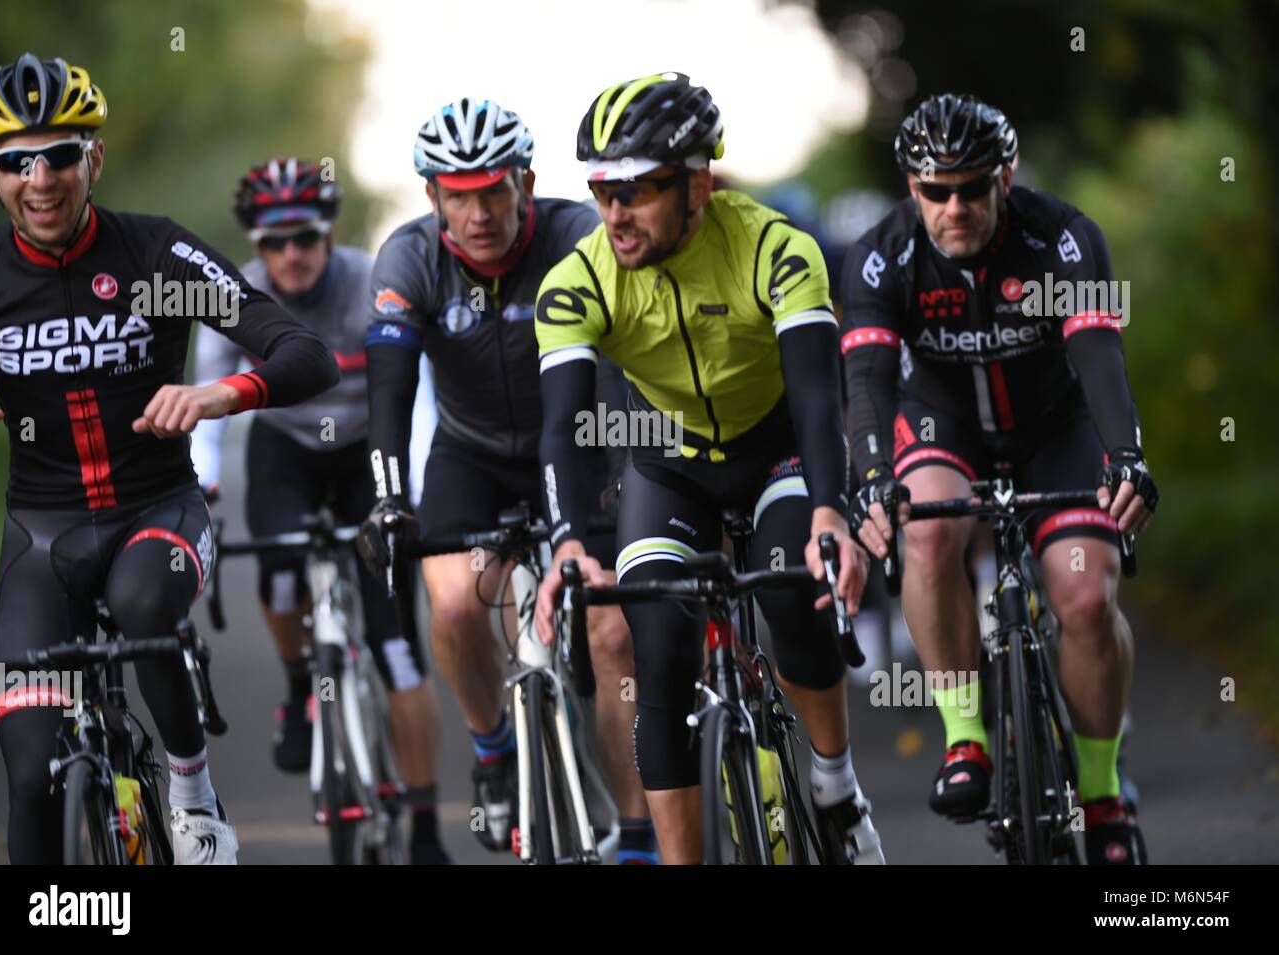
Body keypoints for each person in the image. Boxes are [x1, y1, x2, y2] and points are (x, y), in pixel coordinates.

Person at [0, 54, 339, 863]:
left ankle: (190, 786)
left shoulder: (154, 257)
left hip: (158, 514)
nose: (42, 179)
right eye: (16, 160)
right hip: (40, 542)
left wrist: (220, 395)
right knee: (30, 773)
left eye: (62, 154)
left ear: (94, 160)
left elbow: (302, 351)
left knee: (144, 604)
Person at [532, 72, 881, 865]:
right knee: (656, 648)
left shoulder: (775, 249)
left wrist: (833, 508)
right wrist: (565, 540)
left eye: (638, 190)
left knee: (796, 586)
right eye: (601, 191)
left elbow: (820, 400)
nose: (615, 212)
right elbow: (564, 430)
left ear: (698, 184)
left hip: (776, 450)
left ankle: (835, 781)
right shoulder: (579, 281)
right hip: (669, 470)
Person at [842, 93, 1158, 864]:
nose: (956, 206)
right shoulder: (881, 257)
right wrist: (875, 478)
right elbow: (870, 383)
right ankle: (964, 737)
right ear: (911, 187)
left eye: (974, 187)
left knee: (1085, 595)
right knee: (927, 530)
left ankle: (1102, 789)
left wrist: (1126, 456)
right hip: (944, 426)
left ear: (1006, 176)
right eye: (936, 190)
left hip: (1057, 428)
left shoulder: (1064, 237)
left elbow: (1099, 360)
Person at [359, 98, 655, 862]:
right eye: (458, 194)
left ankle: (636, 835)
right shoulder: (408, 257)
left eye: (493, 189)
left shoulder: (577, 238)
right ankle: (493, 747)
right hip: (471, 454)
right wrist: (390, 499)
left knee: (613, 629)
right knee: (455, 605)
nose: (479, 212)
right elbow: (388, 393)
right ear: (433, 197)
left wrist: (627, 481)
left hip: (587, 444)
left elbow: (624, 374)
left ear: (526, 181)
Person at [189, 157, 450, 863]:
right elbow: (206, 406)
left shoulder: (371, 279)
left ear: (328, 232)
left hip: (370, 443)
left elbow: (417, 390)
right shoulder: (233, 294)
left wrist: (409, 487)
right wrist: (203, 485)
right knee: (275, 570)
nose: (292, 254)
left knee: (398, 648)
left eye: (305, 237)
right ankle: (303, 681)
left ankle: (424, 825)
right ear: (256, 243)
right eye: (274, 242)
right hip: (289, 448)